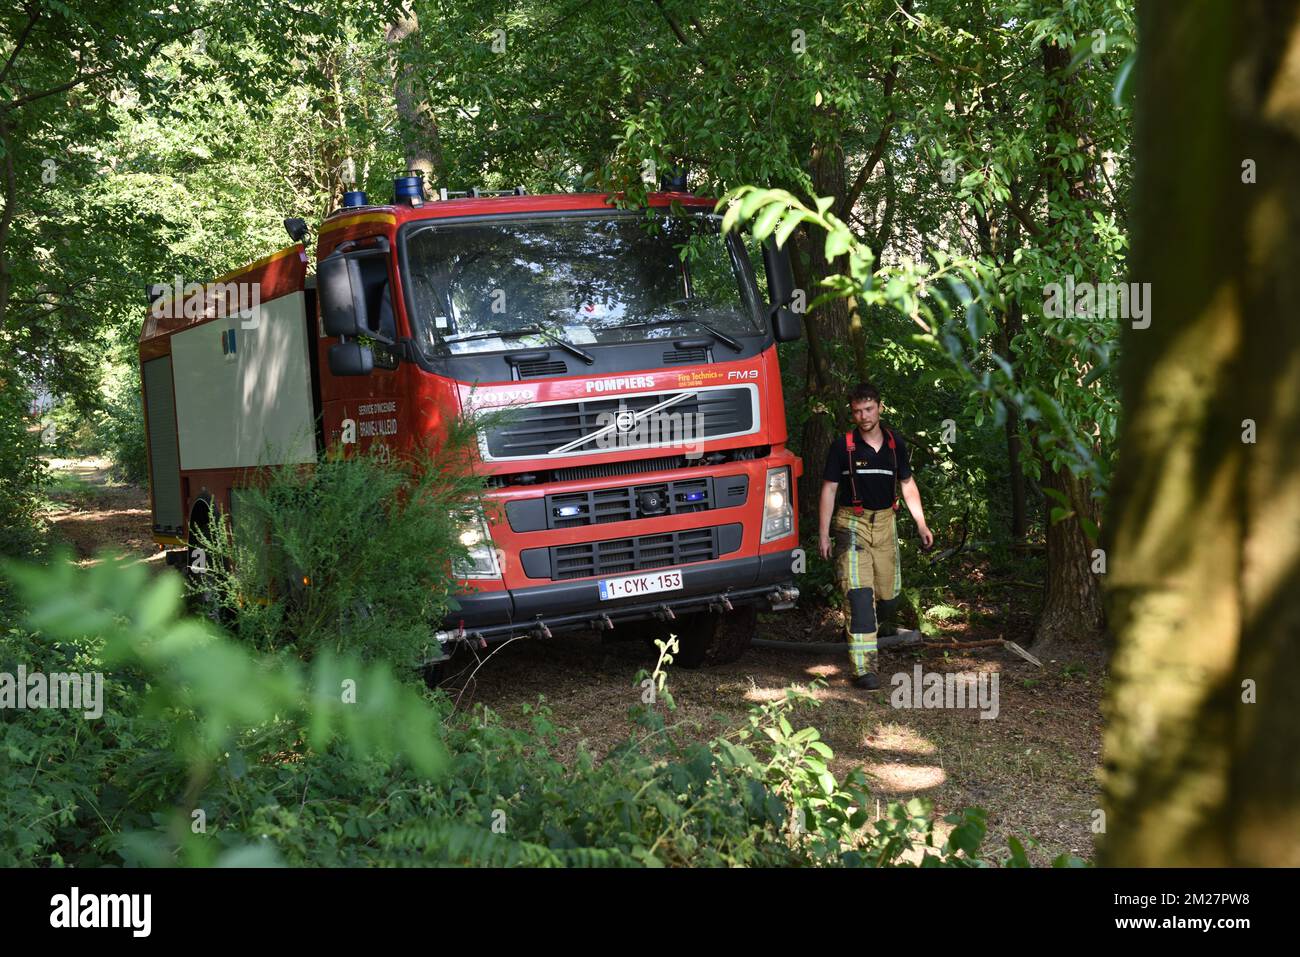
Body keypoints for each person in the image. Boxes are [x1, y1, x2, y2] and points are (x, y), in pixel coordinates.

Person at [818, 382, 934, 690]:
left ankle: (876, 628)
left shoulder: (896, 444)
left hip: (886, 524)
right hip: (851, 524)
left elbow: (907, 485)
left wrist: (921, 525)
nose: (863, 416)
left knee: (888, 597)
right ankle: (865, 669)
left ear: (879, 408)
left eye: (868, 409)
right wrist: (824, 534)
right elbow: (829, 489)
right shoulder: (843, 446)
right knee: (858, 597)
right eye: (857, 411)